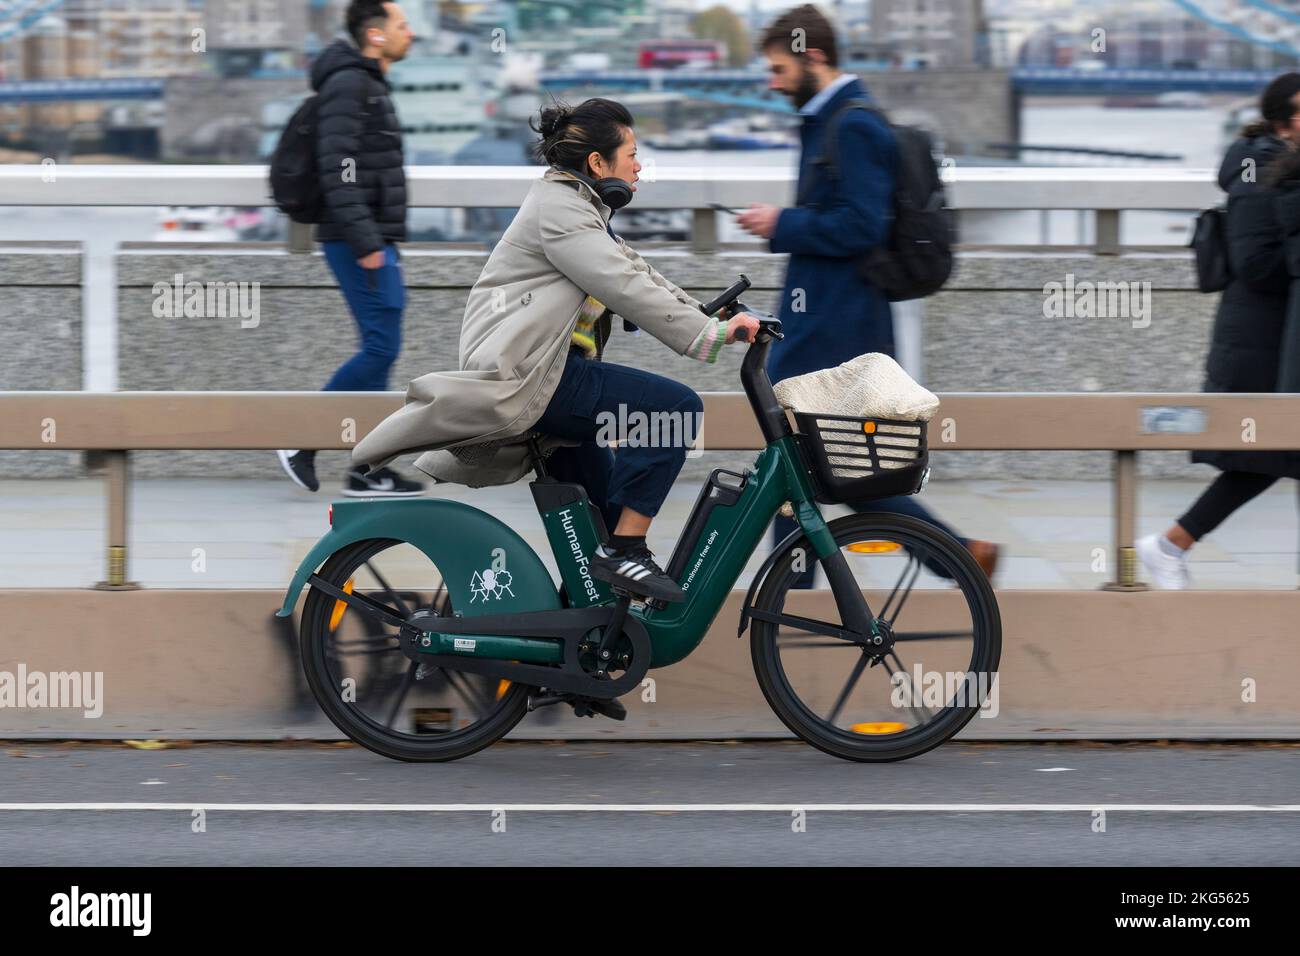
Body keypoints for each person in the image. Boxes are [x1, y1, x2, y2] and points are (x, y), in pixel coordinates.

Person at [351, 97, 761, 602]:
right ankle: (627, 552)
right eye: (632, 154)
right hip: (538, 378)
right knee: (674, 410)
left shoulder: (578, 206)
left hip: (553, 376)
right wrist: (708, 336)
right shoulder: (560, 210)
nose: (639, 166)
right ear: (598, 163)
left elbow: (636, 271)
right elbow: (621, 284)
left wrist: (706, 315)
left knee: (602, 524)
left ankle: (584, 629)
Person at [738, 4, 999, 584]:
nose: (773, 83)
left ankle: (798, 595)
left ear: (814, 57)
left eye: (779, 69)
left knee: (817, 467)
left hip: (837, 330)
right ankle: (952, 556)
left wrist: (782, 223)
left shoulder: (853, 124)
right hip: (826, 323)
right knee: (821, 468)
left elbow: (862, 225)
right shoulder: (831, 119)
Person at [1137, 73, 1300, 589]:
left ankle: (1169, 545)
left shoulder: (1280, 165)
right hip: (1262, 340)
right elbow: (1254, 263)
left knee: (1273, 454)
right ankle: (1168, 545)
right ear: (1283, 120)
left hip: (1278, 336)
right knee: (1270, 453)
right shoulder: (1258, 171)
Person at [277, 0, 426, 498]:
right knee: (381, 346)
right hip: (357, 239)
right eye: (402, 25)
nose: (410, 33)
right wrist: (366, 242)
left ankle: (367, 468)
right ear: (375, 34)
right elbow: (336, 166)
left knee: (382, 349)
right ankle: (302, 437)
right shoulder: (350, 84)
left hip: (373, 236)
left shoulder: (366, 83)